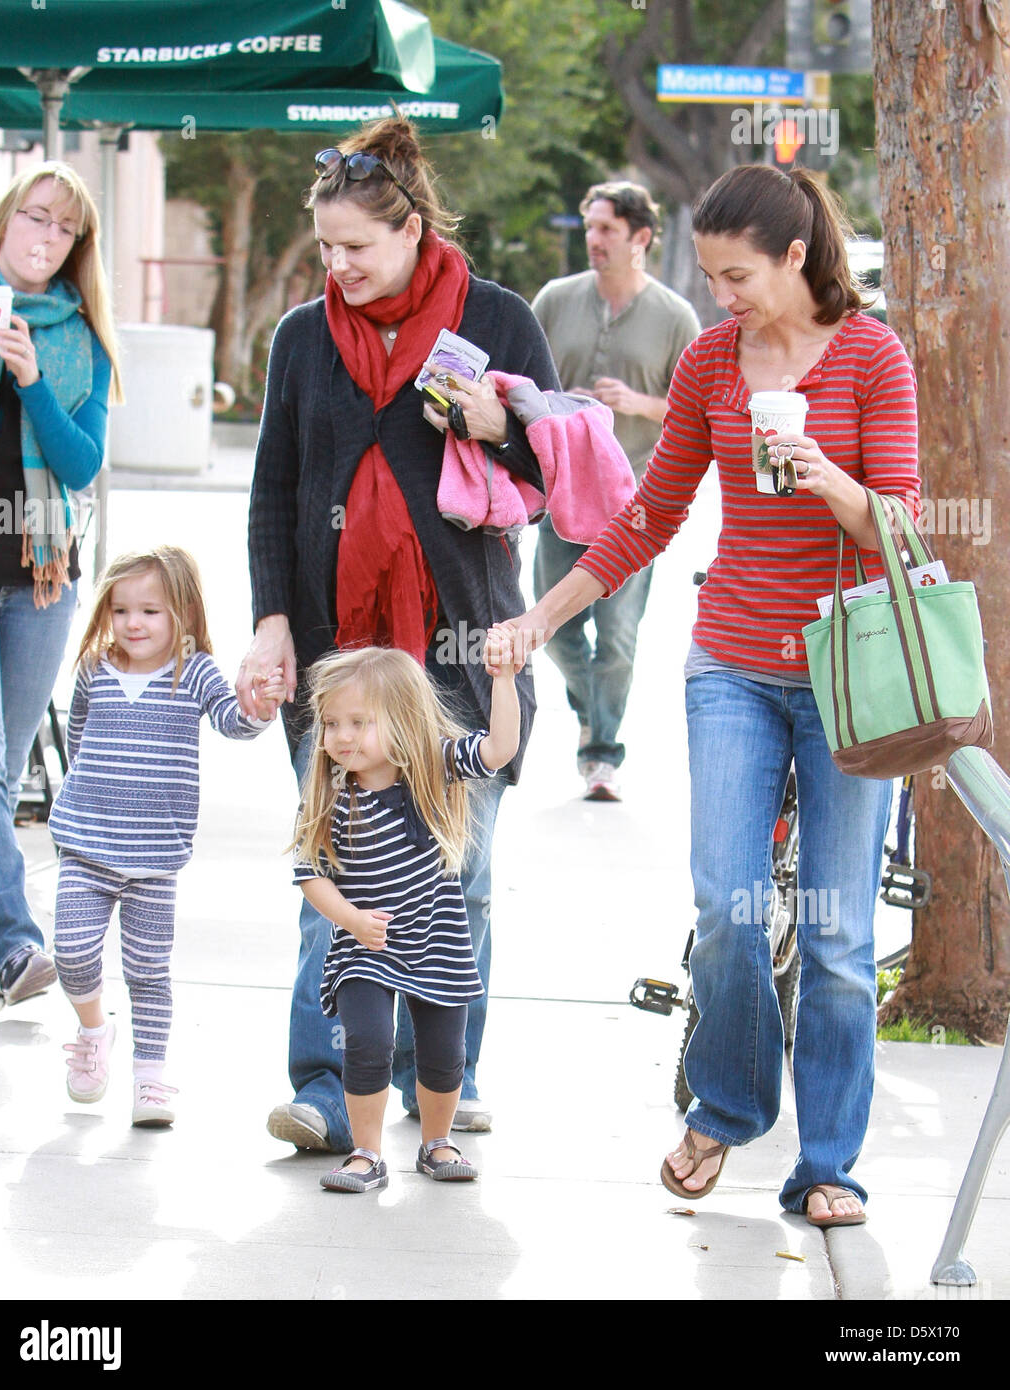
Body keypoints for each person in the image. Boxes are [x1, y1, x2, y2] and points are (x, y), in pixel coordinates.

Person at [499, 165, 919, 1228]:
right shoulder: (709, 361)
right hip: (731, 662)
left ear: (793, 257)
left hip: (847, 673)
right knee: (727, 908)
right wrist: (539, 617)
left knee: (831, 937)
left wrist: (825, 477)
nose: (720, 294)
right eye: (709, 275)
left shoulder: (871, 357)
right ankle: (729, 1102)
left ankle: (825, 1164)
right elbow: (647, 515)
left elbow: (901, 527)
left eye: (736, 275)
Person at [237, 116, 558, 1152]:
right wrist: (272, 620)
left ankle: (441, 1086)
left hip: (464, 649)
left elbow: (552, 482)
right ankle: (328, 1088)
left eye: (355, 249)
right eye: (324, 249)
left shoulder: (499, 321)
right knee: (335, 875)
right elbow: (274, 492)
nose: (336, 267)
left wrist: (494, 427)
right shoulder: (300, 337)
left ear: (410, 228)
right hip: (338, 660)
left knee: (455, 881)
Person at [49, 547, 284, 1126]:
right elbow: (78, 738)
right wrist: (85, 800)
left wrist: (258, 708)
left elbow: (234, 723)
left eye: (150, 611)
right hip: (86, 844)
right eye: (122, 609)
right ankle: (94, 1029)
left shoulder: (195, 670)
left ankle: (150, 1075)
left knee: (148, 970)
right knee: (73, 953)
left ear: (181, 611)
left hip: (154, 856)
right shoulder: (94, 670)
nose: (134, 623)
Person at [0, 161, 122, 1004]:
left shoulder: (82, 340)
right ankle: (13, 943)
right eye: (34, 217)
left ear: (76, 247)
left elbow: (81, 464)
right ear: (5, 222)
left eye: (64, 229)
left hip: (37, 580)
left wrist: (31, 381)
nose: (45, 236)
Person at [293, 639, 519, 1192]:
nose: (341, 737)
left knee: (444, 1054)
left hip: (437, 937)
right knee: (367, 1042)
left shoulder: (432, 771)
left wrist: (506, 680)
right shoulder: (330, 794)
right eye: (331, 724)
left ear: (403, 720)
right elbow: (309, 874)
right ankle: (367, 1154)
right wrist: (349, 918)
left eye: (358, 723)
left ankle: (436, 1144)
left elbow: (499, 749)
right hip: (364, 945)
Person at [530, 182, 700, 801]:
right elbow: (523, 378)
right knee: (552, 626)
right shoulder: (555, 299)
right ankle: (589, 711)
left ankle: (601, 750)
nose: (593, 240)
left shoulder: (676, 317)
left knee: (619, 637)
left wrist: (638, 403)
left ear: (641, 238)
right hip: (561, 492)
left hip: (635, 503)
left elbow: (698, 413)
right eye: (589, 227)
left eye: (606, 229)